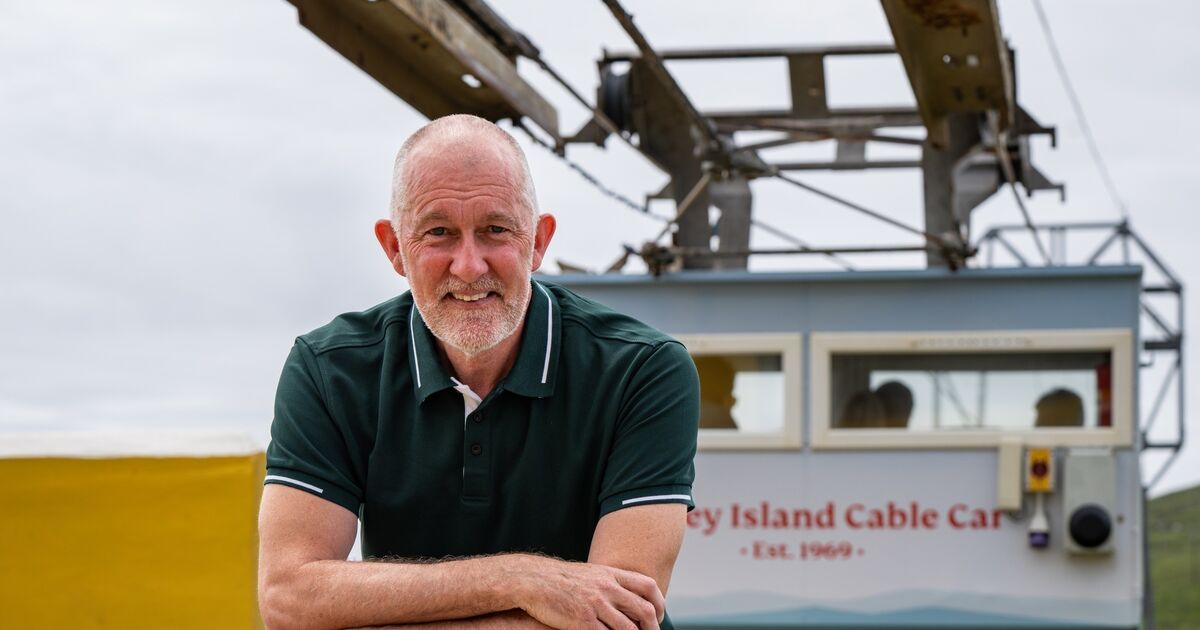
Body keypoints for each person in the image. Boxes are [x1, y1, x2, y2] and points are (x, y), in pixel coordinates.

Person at [256, 114, 700, 629]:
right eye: (438, 232)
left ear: (538, 241)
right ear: (395, 248)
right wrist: (519, 579)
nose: (469, 266)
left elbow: (619, 618)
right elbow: (288, 599)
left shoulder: (644, 370)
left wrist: (367, 615)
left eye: (495, 230)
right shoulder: (329, 370)